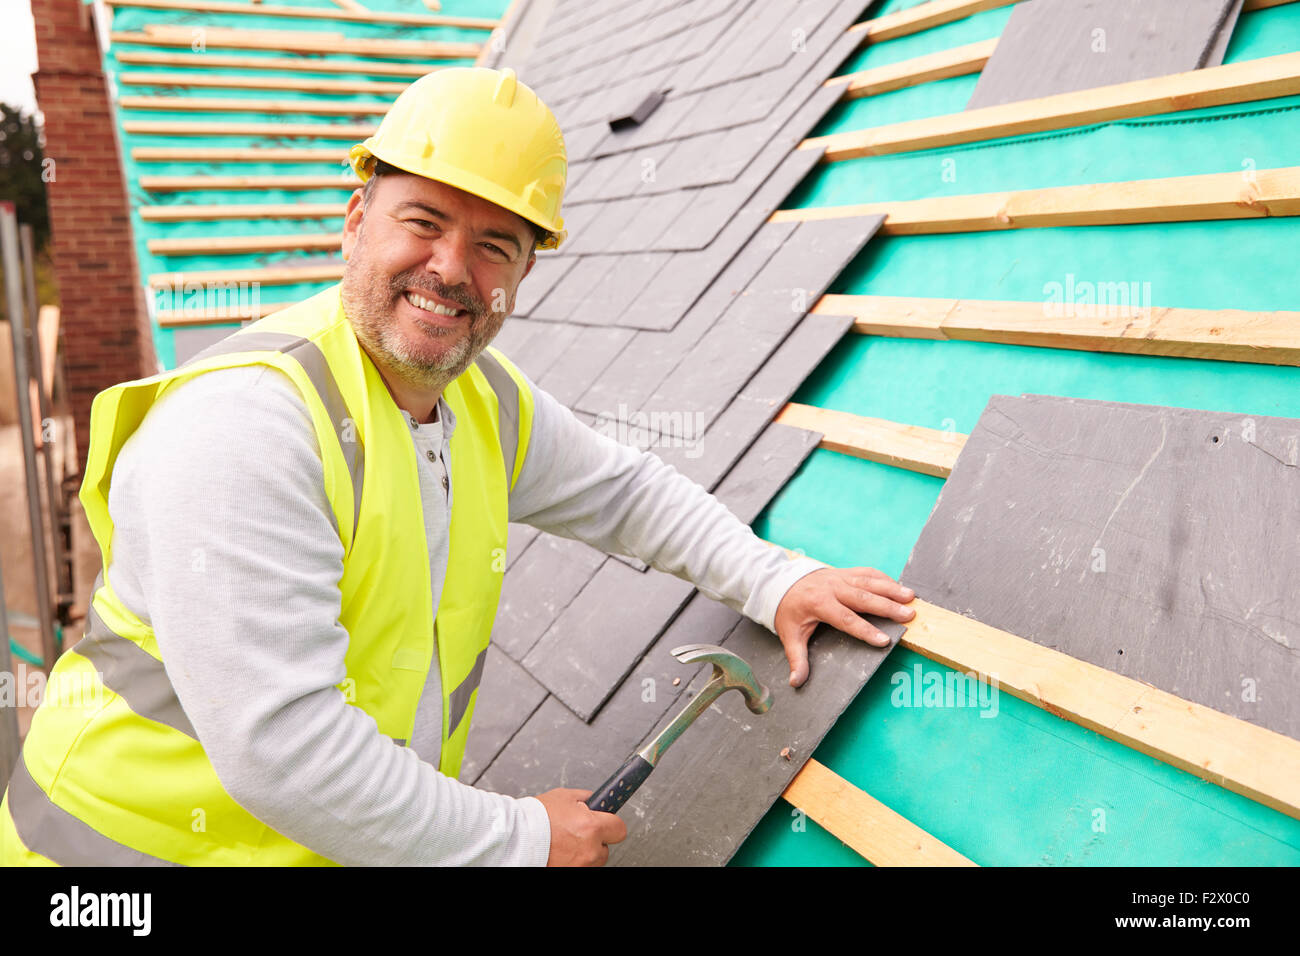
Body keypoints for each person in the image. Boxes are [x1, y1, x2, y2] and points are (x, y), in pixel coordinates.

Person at [0, 67, 915, 867]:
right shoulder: (246, 425)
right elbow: (282, 749)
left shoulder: (481, 402)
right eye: (423, 222)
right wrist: (520, 841)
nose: (451, 270)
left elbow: (624, 491)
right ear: (356, 222)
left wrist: (775, 578)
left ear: (524, 274)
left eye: (495, 246)